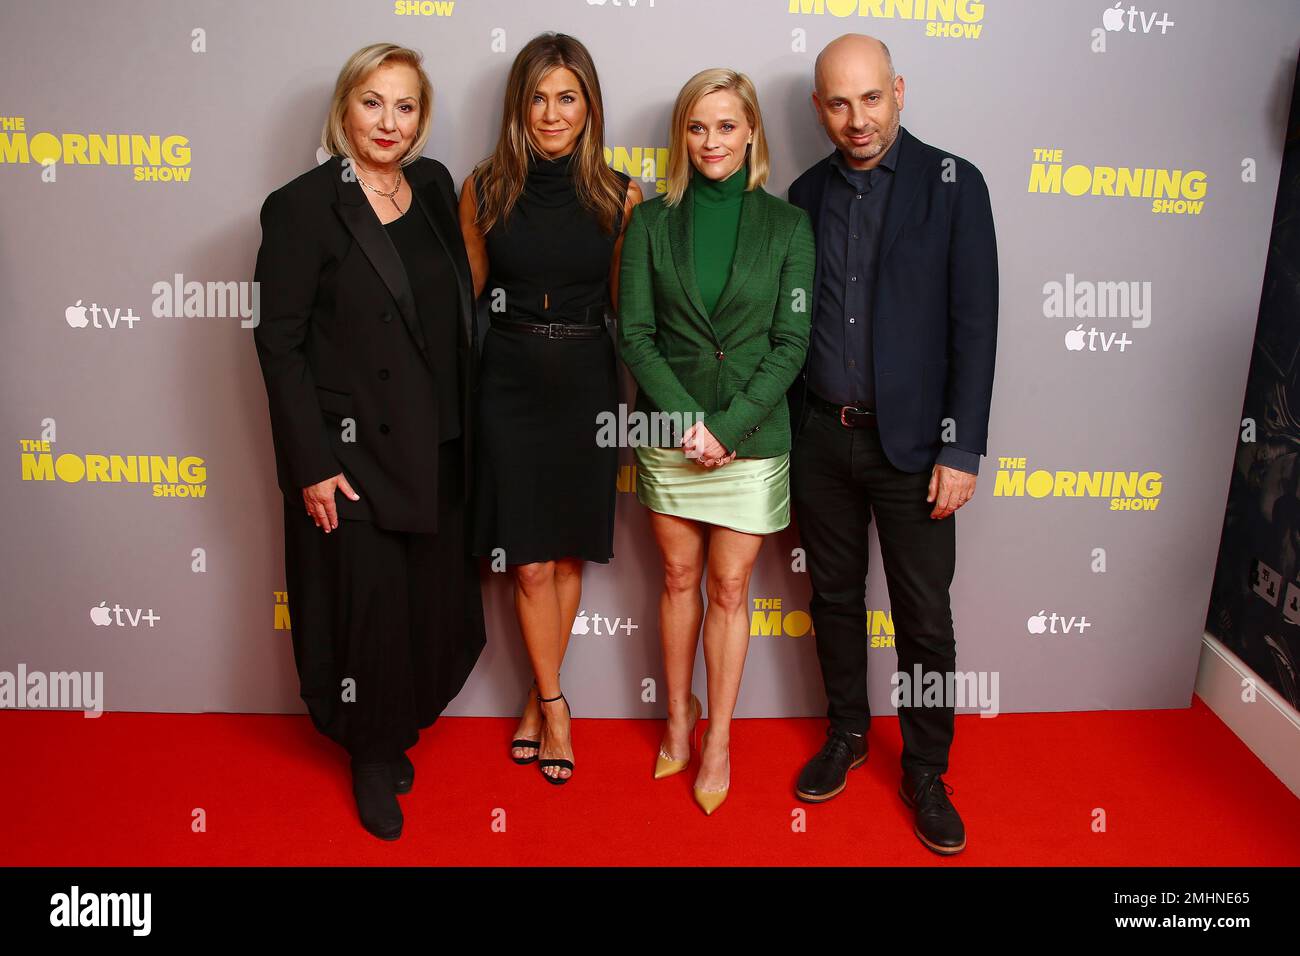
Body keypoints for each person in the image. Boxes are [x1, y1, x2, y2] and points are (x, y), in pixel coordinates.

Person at [253, 43, 486, 840]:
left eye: (406, 106)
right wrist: (311, 463)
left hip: (439, 442)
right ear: (346, 108)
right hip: (353, 453)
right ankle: (370, 753)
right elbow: (278, 346)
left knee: (429, 606)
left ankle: (396, 729)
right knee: (370, 612)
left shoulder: (431, 185)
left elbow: (449, 318)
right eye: (373, 103)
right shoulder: (302, 207)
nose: (389, 123)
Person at [786, 34, 998, 855]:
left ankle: (926, 769)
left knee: (923, 617)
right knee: (834, 601)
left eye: (871, 98)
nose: (857, 119)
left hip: (919, 449)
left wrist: (962, 447)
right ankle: (846, 735)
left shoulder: (955, 184)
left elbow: (974, 327)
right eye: (838, 103)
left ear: (899, 92)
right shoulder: (802, 193)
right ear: (819, 109)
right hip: (822, 441)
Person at [618, 68, 814, 815]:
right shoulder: (648, 223)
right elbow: (636, 337)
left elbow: (791, 342)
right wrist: (688, 423)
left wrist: (727, 428)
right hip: (670, 432)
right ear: (681, 135)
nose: (711, 142)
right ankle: (678, 719)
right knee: (676, 580)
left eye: (726, 126)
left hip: (752, 437)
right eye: (697, 128)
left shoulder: (790, 226)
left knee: (730, 588)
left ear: (751, 131)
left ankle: (721, 737)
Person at [459, 32, 642, 784]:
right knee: (527, 565)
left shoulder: (620, 195)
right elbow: (463, 304)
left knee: (568, 554)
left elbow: (625, 312)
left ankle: (537, 696)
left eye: (566, 97)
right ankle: (559, 704)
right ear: (518, 105)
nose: (551, 112)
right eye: (537, 97)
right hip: (506, 381)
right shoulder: (485, 187)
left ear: (589, 104)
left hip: (586, 386)